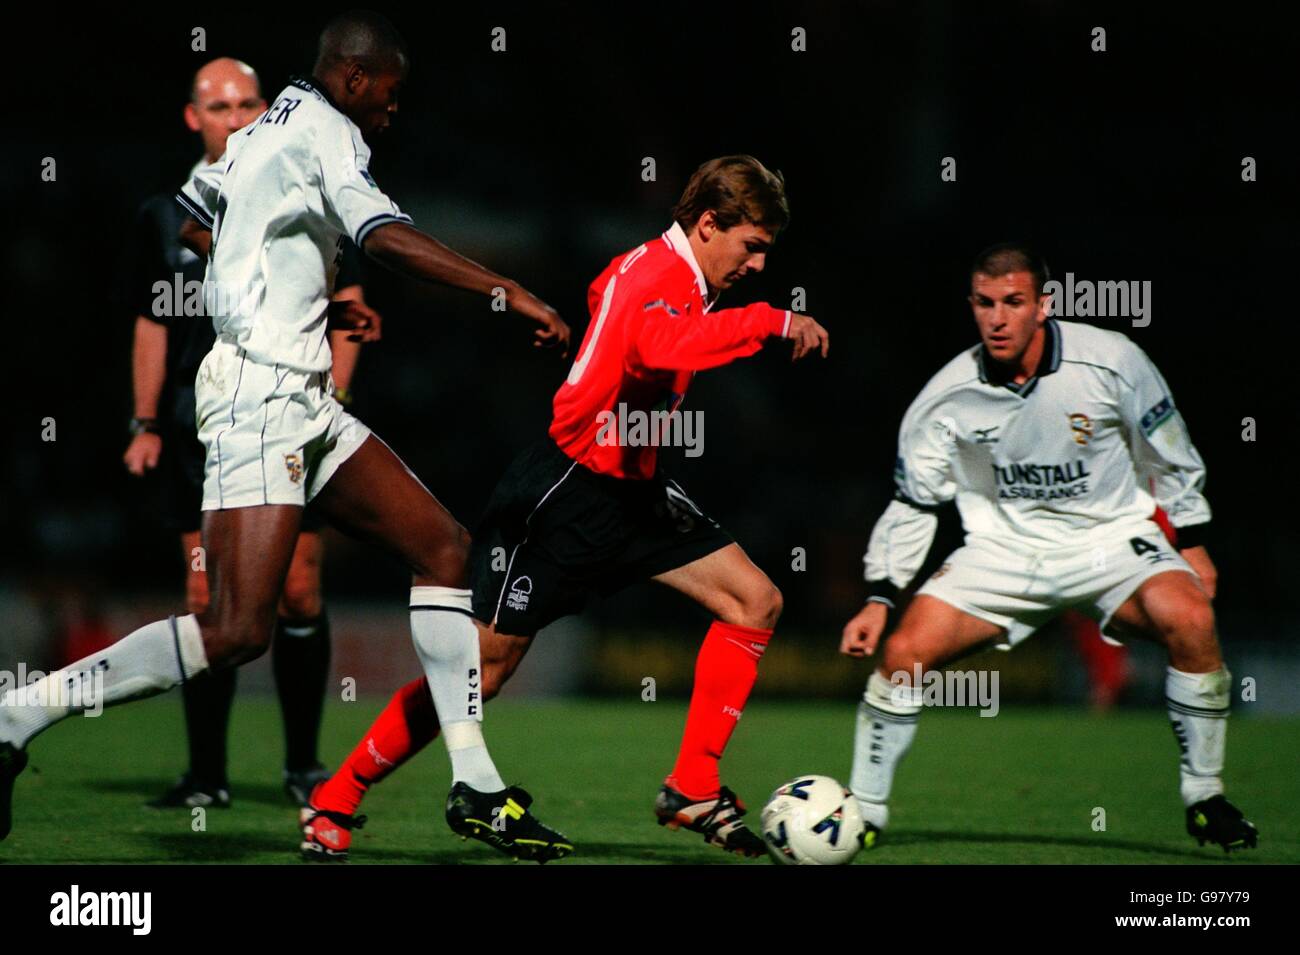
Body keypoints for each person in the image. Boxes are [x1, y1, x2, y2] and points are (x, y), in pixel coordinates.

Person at [1, 10, 572, 863]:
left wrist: (281, 277)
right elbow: (387, 237)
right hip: (260, 396)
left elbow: (194, 219)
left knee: (447, 549)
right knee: (236, 630)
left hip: (301, 391)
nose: (393, 109)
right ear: (353, 79)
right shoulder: (327, 132)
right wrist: (506, 290)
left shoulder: (266, 131)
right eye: (389, 92)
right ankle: (20, 712)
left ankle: (477, 786)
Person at [298, 155, 830, 861]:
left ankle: (692, 785)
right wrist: (767, 322)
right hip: (566, 494)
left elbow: (603, 293)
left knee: (754, 599)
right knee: (479, 671)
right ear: (708, 224)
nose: (759, 263)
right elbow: (654, 341)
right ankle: (336, 795)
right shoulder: (660, 277)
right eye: (752, 245)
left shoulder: (654, 270)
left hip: (633, 488)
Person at [838, 242, 1257, 853]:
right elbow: (915, 503)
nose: (998, 318)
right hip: (1002, 553)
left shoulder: (1112, 361)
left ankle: (1204, 796)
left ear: (1044, 305)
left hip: (1110, 542)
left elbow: (1168, 448)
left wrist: (1191, 541)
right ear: (972, 307)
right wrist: (880, 595)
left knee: (1192, 620)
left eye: (1014, 302)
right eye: (985, 303)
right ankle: (865, 813)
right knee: (903, 653)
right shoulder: (945, 398)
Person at [121, 56, 362, 810]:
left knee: (298, 589)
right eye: (218, 105)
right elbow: (153, 321)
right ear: (194, 117)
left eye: (247, 103)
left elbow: (348, 306)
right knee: (206, 592)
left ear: (264, 110)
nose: (234, 116)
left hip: (292, 412)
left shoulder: (301, 193)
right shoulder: (166, 214)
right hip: (203, 424)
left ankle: (302, 766)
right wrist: (146, 421)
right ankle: (207, 775)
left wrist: (336, 395)